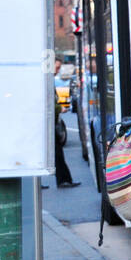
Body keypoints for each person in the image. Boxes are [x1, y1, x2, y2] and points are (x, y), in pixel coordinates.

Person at [52, 60, 79, 188]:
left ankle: (64, 179)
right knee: (57, 153)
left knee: (58, 153)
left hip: (52, 123)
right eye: (56, 68)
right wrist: (59, 108)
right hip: (49, 124)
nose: (58, 71)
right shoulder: (46, 81)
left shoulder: (49, 81)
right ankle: (63, 180)